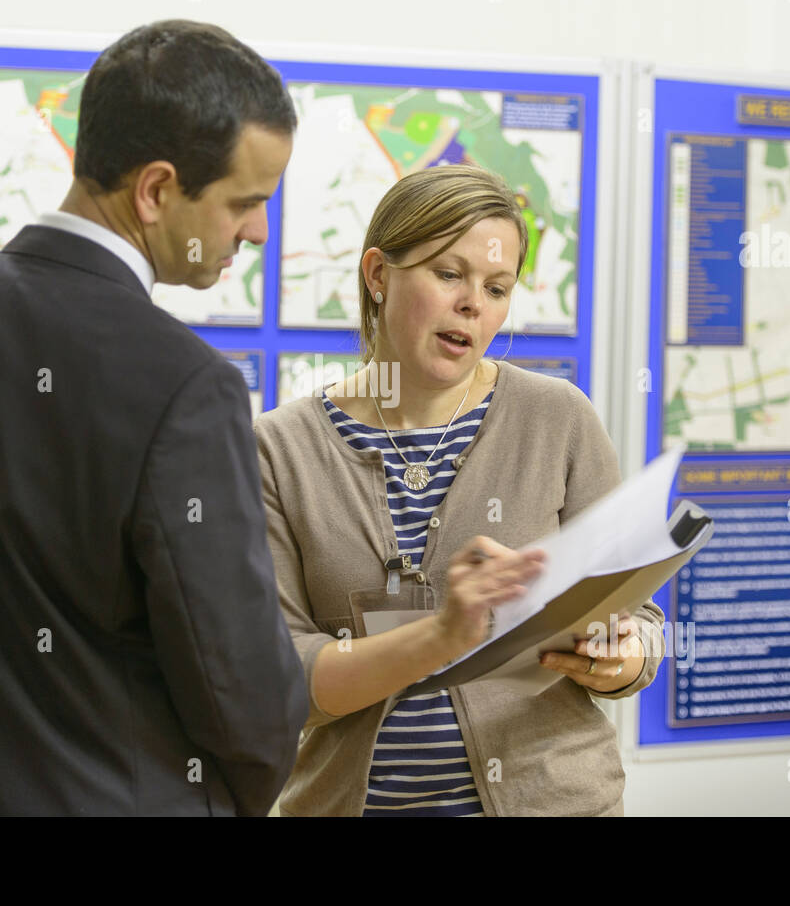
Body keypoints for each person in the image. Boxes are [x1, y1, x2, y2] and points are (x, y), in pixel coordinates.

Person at [0, 20, 307, 815]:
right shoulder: (187, 384)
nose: (258, 231)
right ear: (157, 190)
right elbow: (242, 695)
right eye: (246, 202)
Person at [254, 164, 664, 816]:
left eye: (497, 287)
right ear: (378, 274)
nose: (475, 304)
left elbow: (637, 617)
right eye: (449, 274)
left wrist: (624, 655)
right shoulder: (279, 446)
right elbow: (281, 677)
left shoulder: (557, 417)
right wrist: (441, 635)